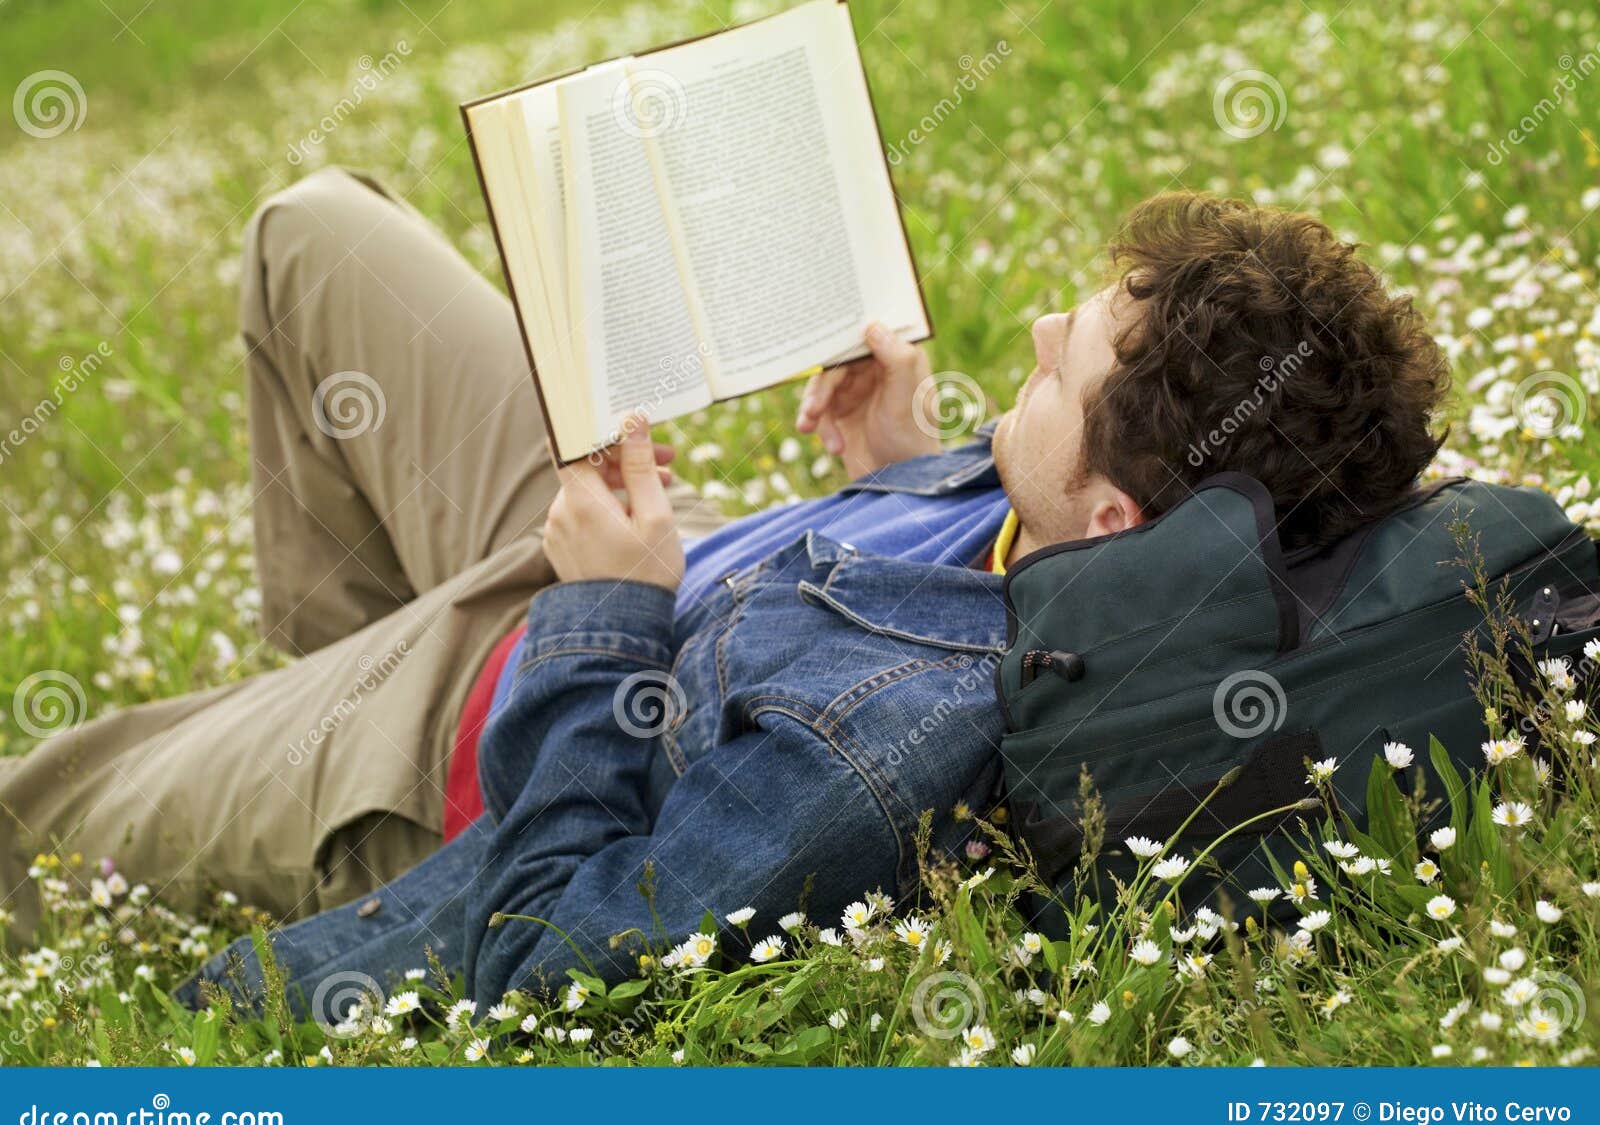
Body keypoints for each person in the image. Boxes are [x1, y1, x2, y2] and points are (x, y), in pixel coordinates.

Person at [0, 169, 1447, 1005]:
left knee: (30, 814)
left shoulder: (891, 742)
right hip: (652, 545)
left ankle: (315, 758)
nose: (1040, 325)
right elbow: (1012, 536)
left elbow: (544, 958)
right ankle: (305, 711)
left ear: (1116, 516)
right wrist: (902, 468)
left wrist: (605, 614)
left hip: (494, 717)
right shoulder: (1100, 531)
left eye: (1061, 369)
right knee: (313, 231)